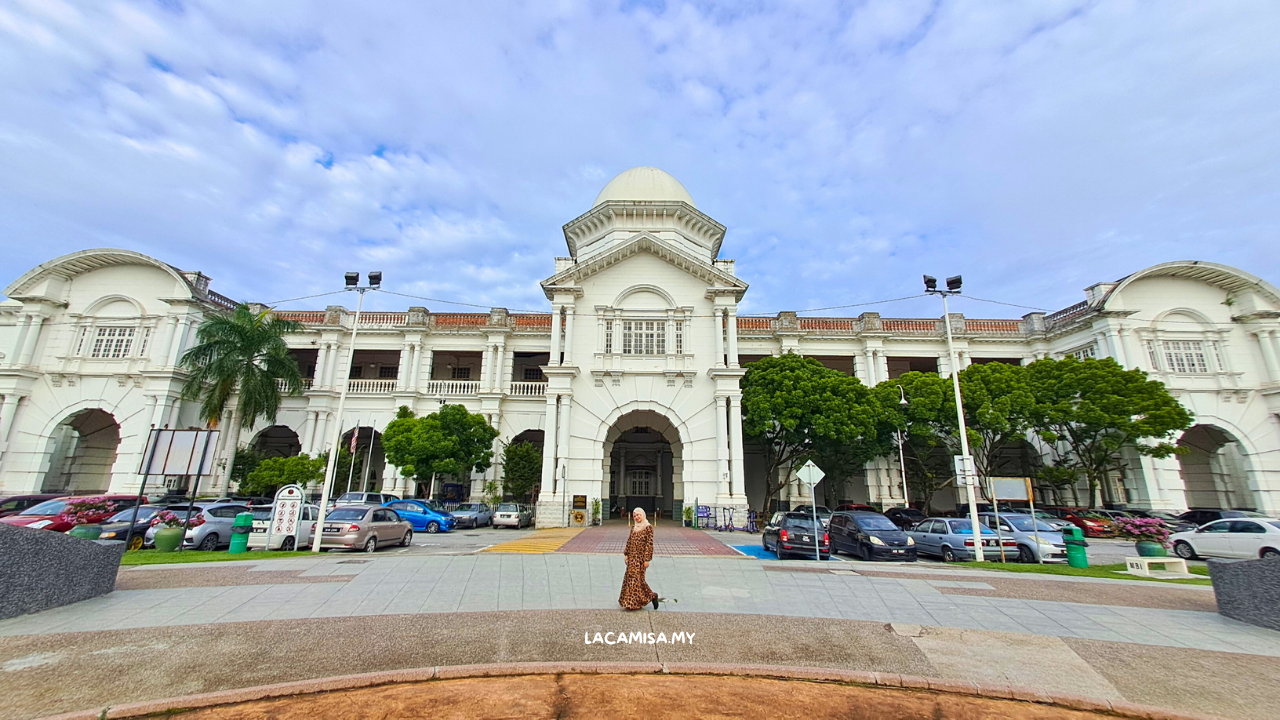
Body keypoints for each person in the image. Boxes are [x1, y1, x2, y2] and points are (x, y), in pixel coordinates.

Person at [619, 507, 660, 611]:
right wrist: (626, 554)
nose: (637, 517)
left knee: (637, 580)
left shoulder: (648, 528)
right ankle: (631, 602)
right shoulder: (633, 528)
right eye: (635, 516)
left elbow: (649, 544)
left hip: (641, 559)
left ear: (643, 515)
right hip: (632, 557)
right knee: (631, 579)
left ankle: (648, 597)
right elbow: (629, 541)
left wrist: (647, 559)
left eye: (638, 515)